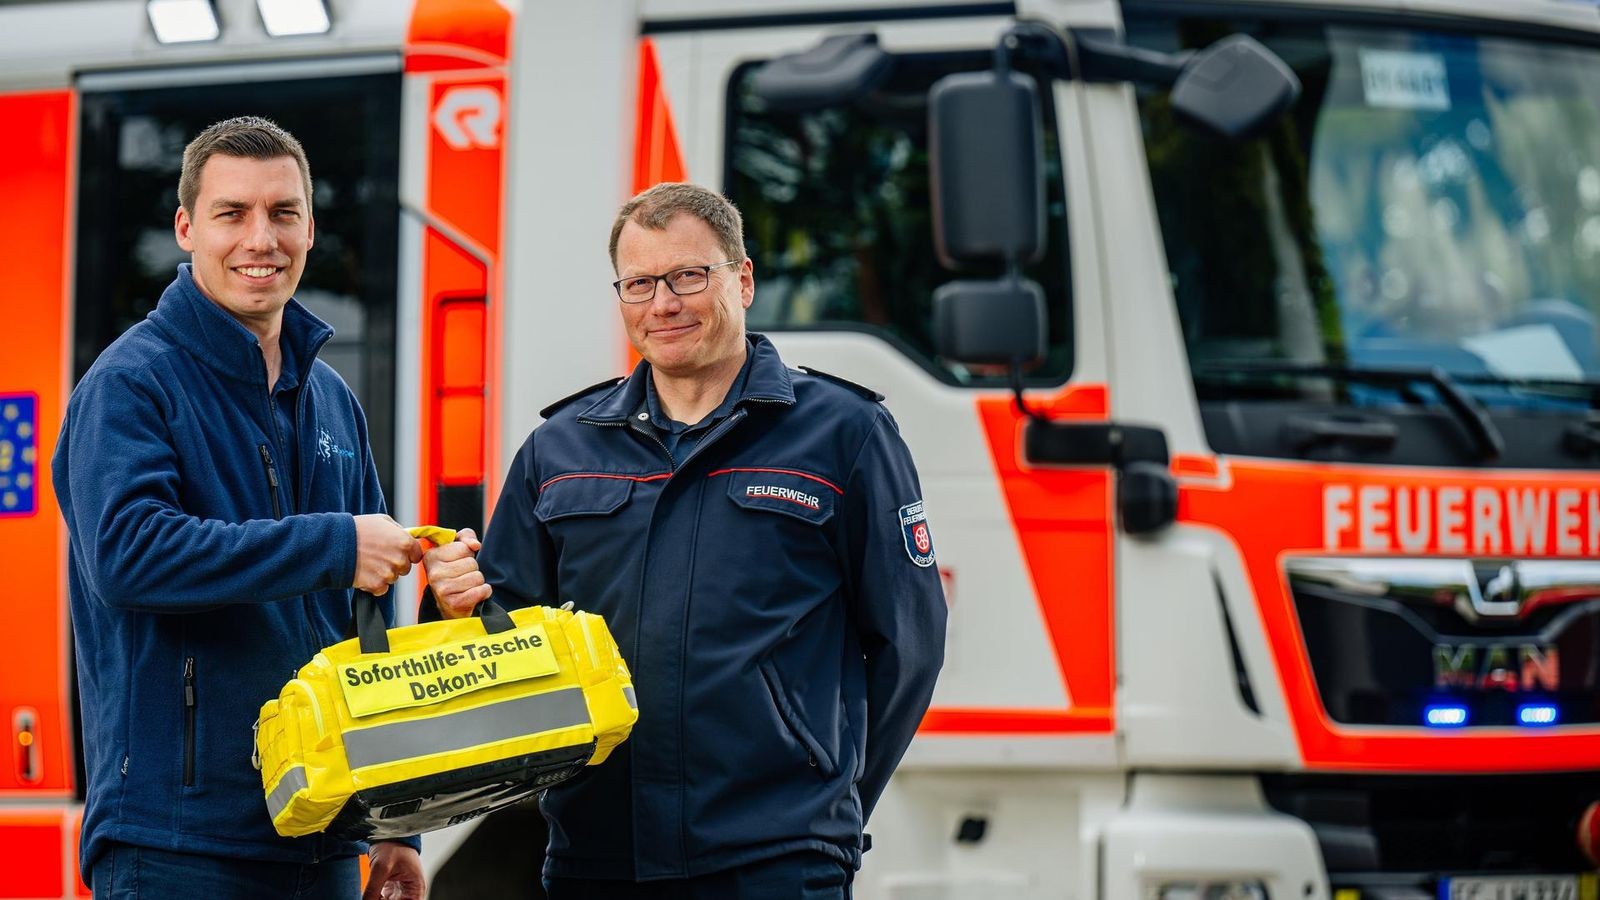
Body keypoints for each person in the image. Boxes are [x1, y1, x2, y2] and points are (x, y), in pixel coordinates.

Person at [423, 182, 947, 898]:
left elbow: (907, 646)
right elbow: (503, 635)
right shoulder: (561, 448)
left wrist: (832, 801)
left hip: (776, 858)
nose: (662, 304)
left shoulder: (844, 433)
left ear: (743, 279)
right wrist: (449, 606)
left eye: (687, 276)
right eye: (638, 284)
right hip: (597, 857)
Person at [52, 117, 426, 899]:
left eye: (284, 213)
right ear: (187, 228)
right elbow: (130, 555)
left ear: (311, 227)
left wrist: (395, 822)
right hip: (176, 843)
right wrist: (333, 545)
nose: (262, 238)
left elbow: (368, 625)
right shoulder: (130, 385)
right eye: (233, 213)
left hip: (323, 828)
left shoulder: (330, 398)